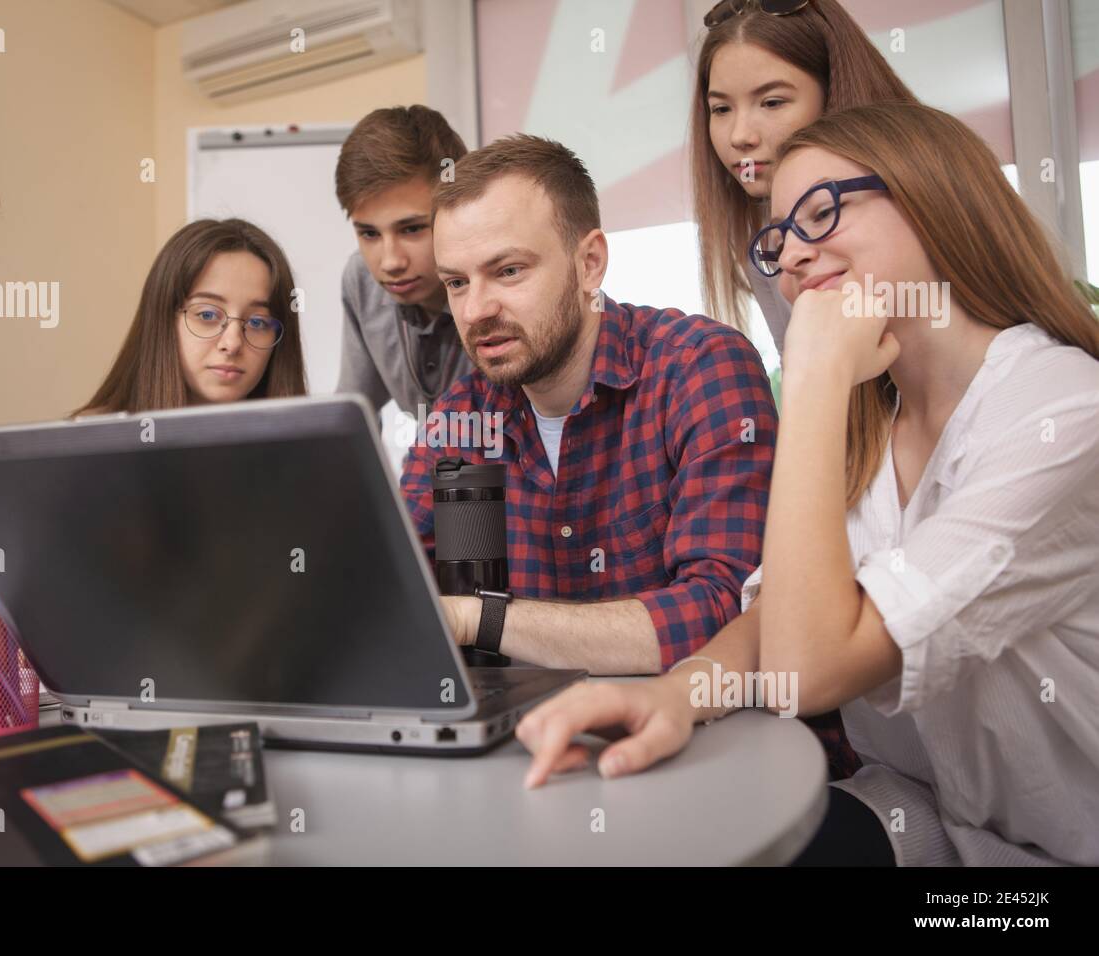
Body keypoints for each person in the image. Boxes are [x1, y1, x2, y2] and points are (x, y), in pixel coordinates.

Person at [517, 103, 1099, 867]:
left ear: (935, 197)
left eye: (820, 213)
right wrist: (677, 694)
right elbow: (772, 623)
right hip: (925, 818)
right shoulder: (875, 425)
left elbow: (808, 671)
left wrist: (816, 371)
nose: (789, 255)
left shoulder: (1062, 404)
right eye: (778, 234)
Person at [400, 133, 776, 679]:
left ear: (590, 264)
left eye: (508, 271)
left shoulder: (697, 369)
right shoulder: (465, 421)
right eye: (456, 282)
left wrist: (479, 620)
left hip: (714, 743)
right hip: (536, 746)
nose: (476, 309)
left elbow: (728, 613)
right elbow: (413, 592)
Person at [692, 0, 915, 354]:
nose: (740, 135)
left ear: (834, 91)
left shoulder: (906, 214)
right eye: (721, 109)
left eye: (772, 102)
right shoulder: (767, 249)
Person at [75, 218, 306, 415]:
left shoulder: (306, 450)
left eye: (257, 322)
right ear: (164, 321)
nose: (232, 344)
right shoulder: (87, 445)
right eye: (207, 314)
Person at [334, 105, 474, 416]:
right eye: (369, 234)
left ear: (460, 209)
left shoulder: (503, 287)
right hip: (434, 461)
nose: (390, 262)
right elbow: (355, 412)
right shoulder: (361, 279)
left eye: (412, 229)